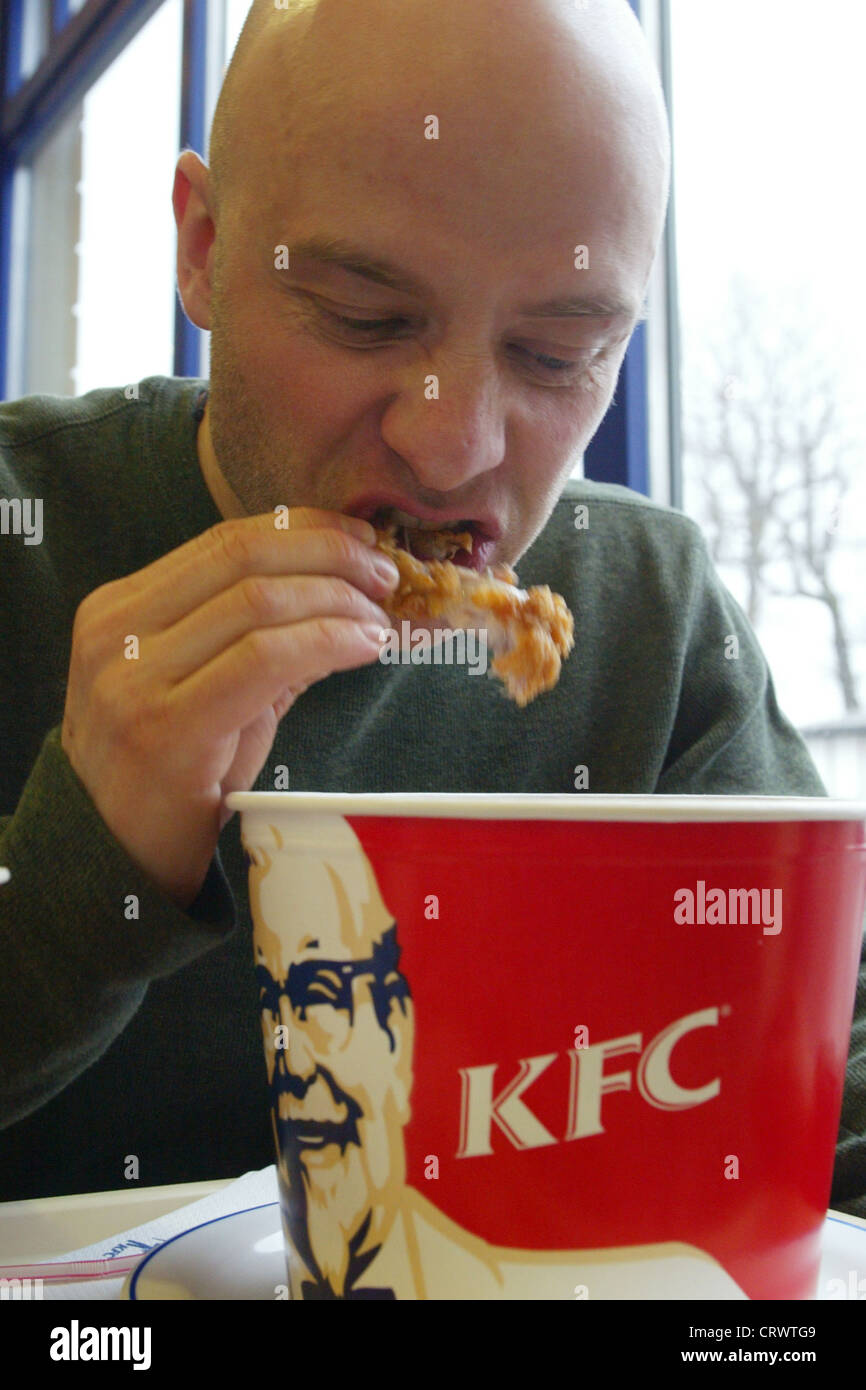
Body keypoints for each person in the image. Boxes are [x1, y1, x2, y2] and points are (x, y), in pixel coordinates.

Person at [0, 0, 862, 1227]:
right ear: (200, 245)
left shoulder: (652, 624)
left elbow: (826, 1073)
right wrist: (77, 876)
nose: (452, 445)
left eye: (557, 355)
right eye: (366, 317)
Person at [252, 814, 748, 1299]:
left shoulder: (700, 1285)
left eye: (319, 995)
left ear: (396, 1036)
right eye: (269, 1002)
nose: (290, 1063)